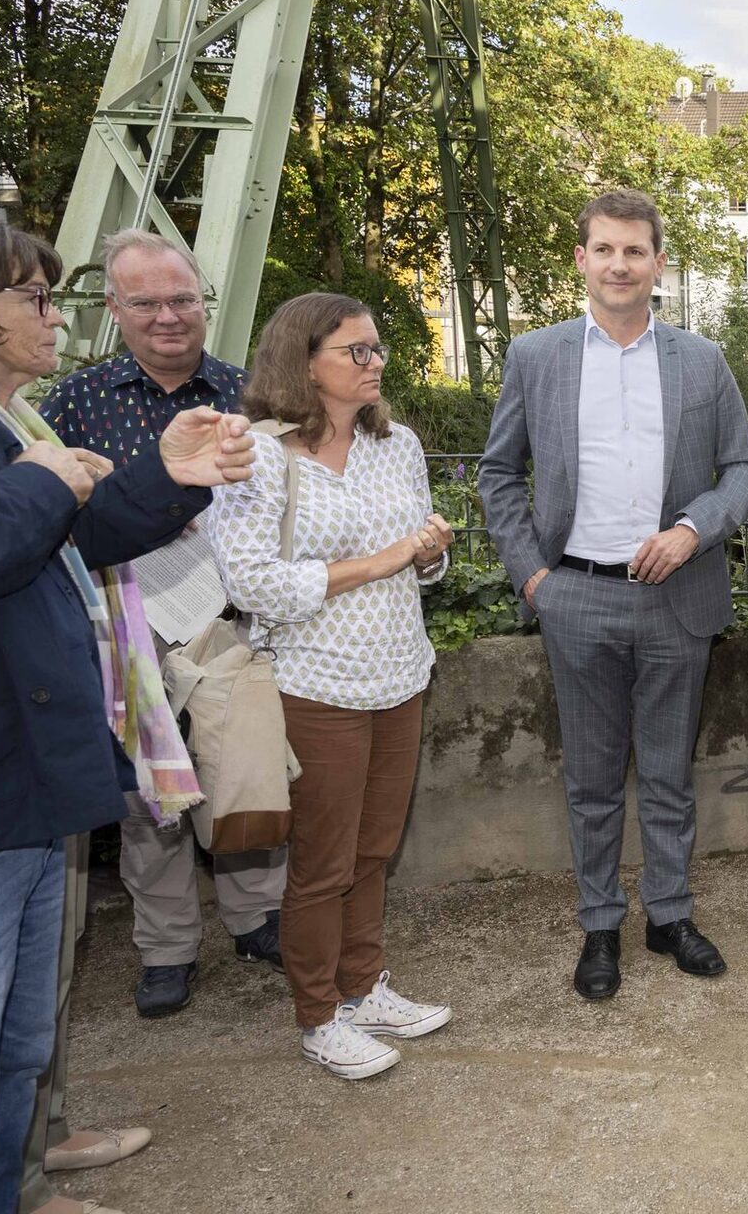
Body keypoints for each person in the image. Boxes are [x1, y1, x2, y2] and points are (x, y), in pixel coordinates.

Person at [0, 220, 254, 1214]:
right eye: (36, 298)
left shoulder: (16, 422)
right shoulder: (35, 434)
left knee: (15, 1026)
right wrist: (39, 484)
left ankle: (20, 1178)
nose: (56, 314)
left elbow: (79, 534)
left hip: (37, 759)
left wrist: (167, 472)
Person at [477, 190, 748, 1000]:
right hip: (576, 598)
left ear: (658, 262)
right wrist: (534, 578)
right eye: (604, 249)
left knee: (670, 774)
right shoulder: (537, 356)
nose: (619, 264)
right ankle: (599, 925)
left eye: (635, 251)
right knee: (594, 780)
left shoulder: (701, 360)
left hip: (678, 596)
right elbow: (498, 473)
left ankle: (669, 915)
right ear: (582, 260)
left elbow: (745, 467)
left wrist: (692, 530)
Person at [40, 230, 286, 1021]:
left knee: (246, 775)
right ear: (114, 310)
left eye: (182, 298)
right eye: (144, 303)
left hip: (230, 619)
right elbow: (55, 516)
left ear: (202, 303)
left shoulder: (251, 392)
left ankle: (258, 919)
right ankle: (168, 948)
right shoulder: (73, 402)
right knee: (153, 799)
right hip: (126, 622)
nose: (168, 316)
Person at [212, 292, 454, 1081]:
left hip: (400, 670)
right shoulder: (255, 452)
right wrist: (375, 563)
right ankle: (318, 1016)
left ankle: (363, 986)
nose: (375, 361)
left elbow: (425, 561)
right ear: (302, 361)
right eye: (356, 351)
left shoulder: (399, 445)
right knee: (324, 862)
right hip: (315, 684)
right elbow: (252, 585)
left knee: (376, 849)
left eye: (377, 348)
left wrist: (428, 553)